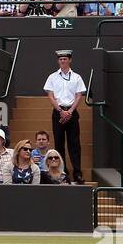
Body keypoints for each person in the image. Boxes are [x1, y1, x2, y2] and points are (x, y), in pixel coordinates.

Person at [43, 50, 86, 183]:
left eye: (65, 59)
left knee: (74, 144)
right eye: (60, 59)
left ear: (70, 60)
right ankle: (63, 172)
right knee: (59, 143)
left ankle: (77, 173)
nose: (63, 61)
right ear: (58, 61)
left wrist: (70, 111)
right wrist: (60, 111)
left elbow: (79, 95)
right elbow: (50, 95)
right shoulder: (52, 77)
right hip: (58, 112)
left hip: (72, 112)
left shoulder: (77, 77)